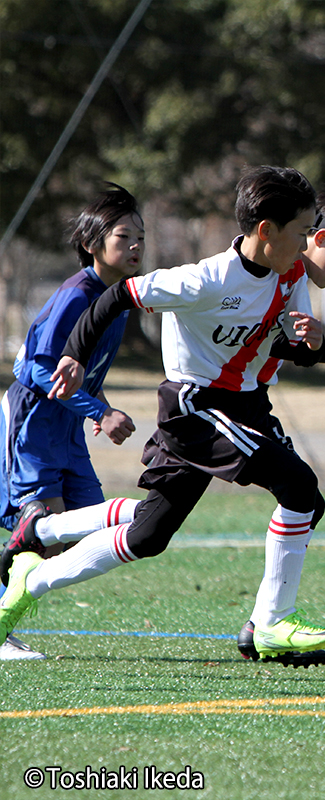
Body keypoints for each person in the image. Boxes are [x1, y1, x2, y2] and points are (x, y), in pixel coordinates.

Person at [0, 166, 325, 666]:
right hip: (197, 407)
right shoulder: (207, 278)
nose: (310, 241)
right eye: (304, 231)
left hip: (244, 405)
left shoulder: (288, 275)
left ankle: (36, 563)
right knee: (299, 487)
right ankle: (270, 622)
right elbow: (118, 296)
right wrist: (73, 354)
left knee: (149, 533)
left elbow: (279, 342)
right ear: (268, 231)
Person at [0, 184, 145, 660]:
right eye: (124, 237)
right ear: (92, 245)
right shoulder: (75, 294)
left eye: (140, 237)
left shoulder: (117, 300)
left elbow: (83, 371)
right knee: (43, 528)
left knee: (79, 537)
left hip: (68, 430)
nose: (136, 247)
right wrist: (100, 410)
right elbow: (40, 368)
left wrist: (99, 406)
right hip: (35, 424)